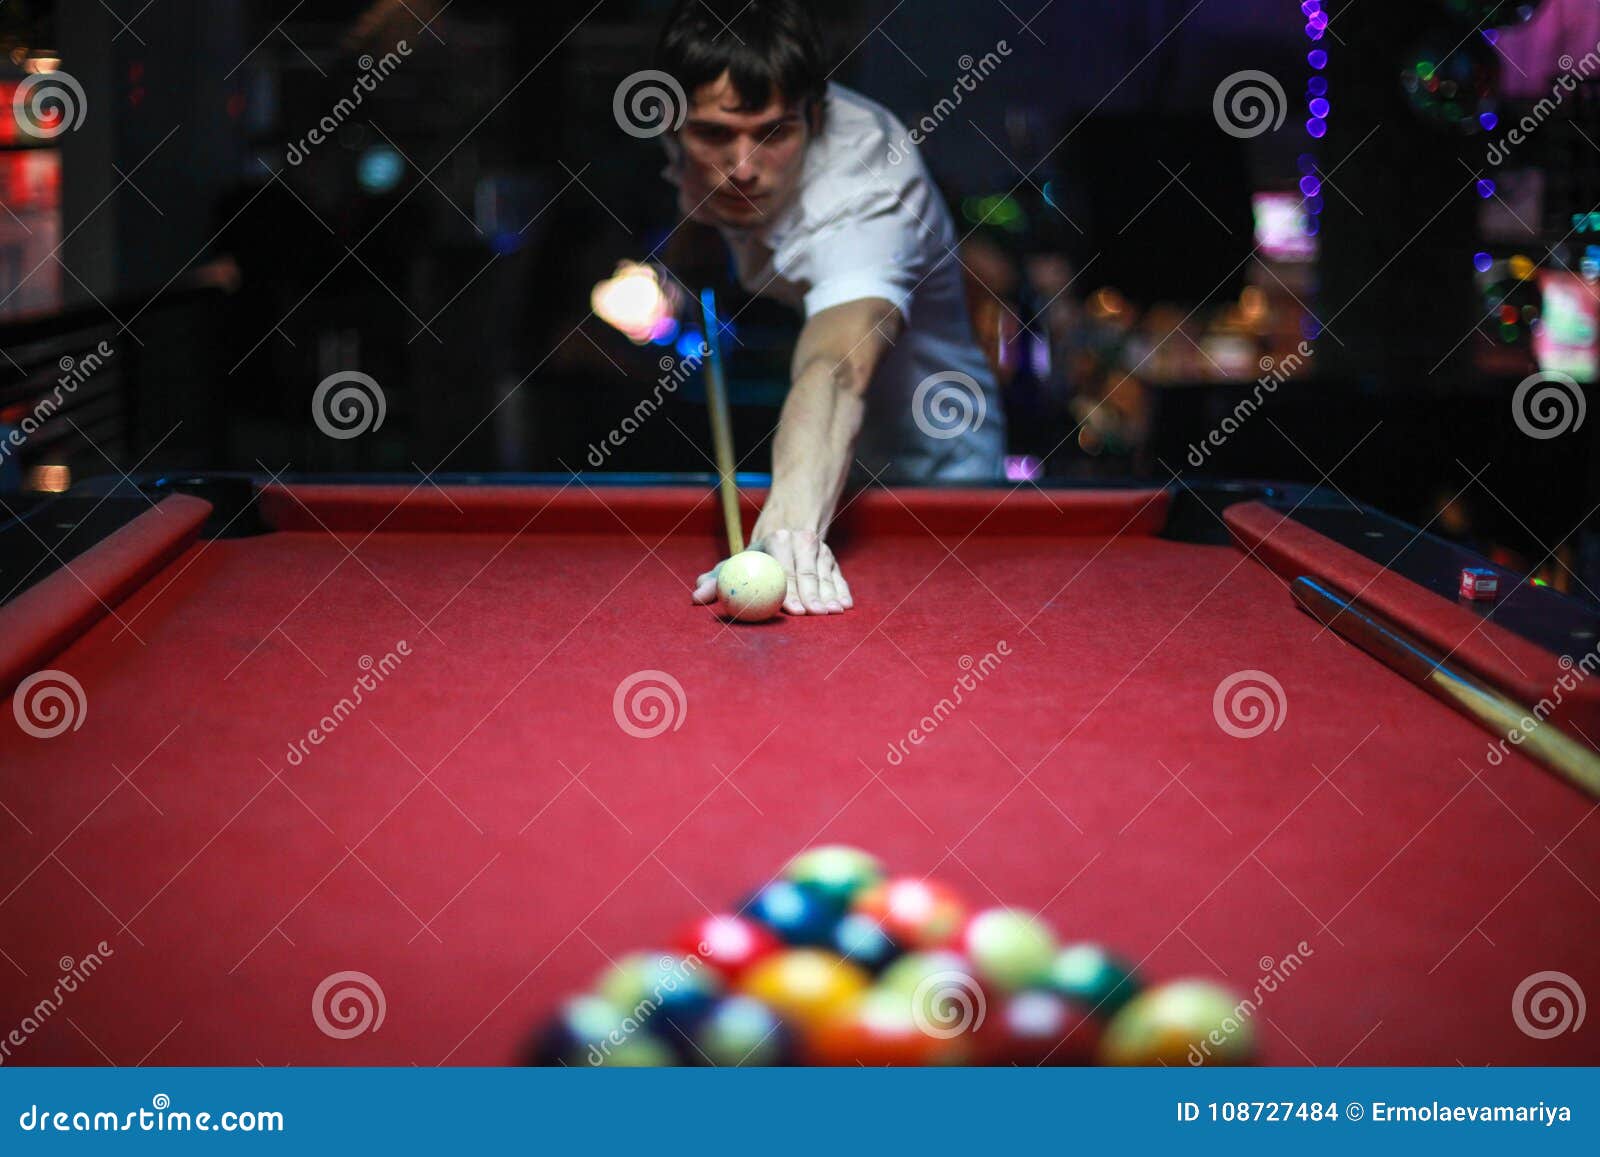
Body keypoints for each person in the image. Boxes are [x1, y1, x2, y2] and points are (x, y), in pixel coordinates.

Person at [655, 0, 1007, 617]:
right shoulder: (702, 158)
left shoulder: (870, 190)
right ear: (671, 129)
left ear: (815, 120)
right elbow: (702, 215)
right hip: (829, 461)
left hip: (939, 457)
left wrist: (786, 524)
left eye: (773, 133)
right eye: (713, 134)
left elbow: (837, 368)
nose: (741, 168)